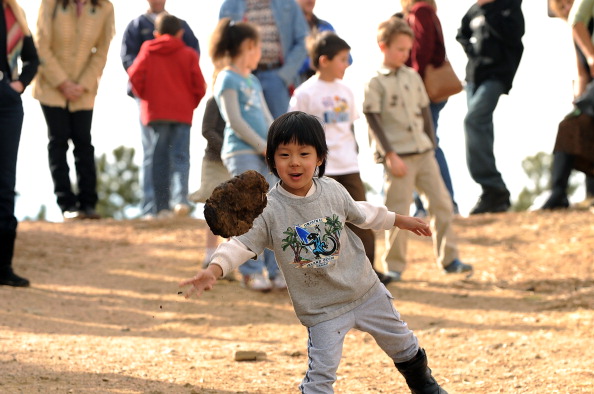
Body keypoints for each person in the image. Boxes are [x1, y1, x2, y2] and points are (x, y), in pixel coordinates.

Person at [179, 111, 448, 394]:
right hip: (322, 309)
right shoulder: (269, 210)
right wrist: (214, 268)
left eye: (304, 153)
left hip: (365, 291)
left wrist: (399, 219)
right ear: (272, 159)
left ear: (319, 158)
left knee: (404, 344)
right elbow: (241, 244)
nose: (295, 162)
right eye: (284, 155)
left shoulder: (332, 190)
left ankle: (426, 387)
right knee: (321, 374)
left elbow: (362, 213)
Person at [363, 16, 472, 281]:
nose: (404, 54)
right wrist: (388, 155)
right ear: (383, 47)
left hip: (424, 154)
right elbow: (372, 119)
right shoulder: (375, 82)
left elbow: (425, 109)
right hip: (399, 158)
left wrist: (431, 143)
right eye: (399, 49)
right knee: (398, 214)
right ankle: (395, 268)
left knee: (442, 205)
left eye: (407, 50)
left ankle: (449, 260)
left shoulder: (412, 76)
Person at [288, 31, 391, 285]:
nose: (347, 64)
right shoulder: (305, 93)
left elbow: (350, 127)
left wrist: (355, 153)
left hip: (349, 165)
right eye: (343, 59)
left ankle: (369, 271)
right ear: (324, 60)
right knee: (318, 223)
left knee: (361, 217)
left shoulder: (346, 90)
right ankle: (318, 275)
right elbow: (294, 133)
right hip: (321, 170)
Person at [209, 18, 284, 291]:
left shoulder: (252, 80)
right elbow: (235, 121)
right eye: (259, 47)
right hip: (241, 152)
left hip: (264, 152)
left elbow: (266, 117)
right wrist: (261, 146)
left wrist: (279, 143)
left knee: (275, 209)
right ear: (249, 46)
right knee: (248, 212)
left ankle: (277, 272)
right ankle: (251, 271)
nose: (261, 52)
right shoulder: (226, 78)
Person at [32, 0, 115, 221]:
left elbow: (102, 50)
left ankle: (88, 204)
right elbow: (41, 44)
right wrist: (62, 82)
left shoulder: (105, 7)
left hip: (83, 90)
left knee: (83, 142)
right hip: (51, 87)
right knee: (58, 141)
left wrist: (83, 83)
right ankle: (67, 205)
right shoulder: (51, 4)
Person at [121, 0, 200, 219]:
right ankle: (180, 200)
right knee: (180, 156)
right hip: (181, 112)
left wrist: (146, 97)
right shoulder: (187, 51)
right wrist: (190, 102)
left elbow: (134, 74)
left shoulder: (147, 48)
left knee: (154, 157)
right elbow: (199, 84)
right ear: (180, 33)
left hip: (154, 111)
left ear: (156, 33)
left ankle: (157, 207)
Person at [456, 0, 525, 215]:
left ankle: (492, 185)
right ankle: (493, 194)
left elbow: (514, 36)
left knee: (473, 120)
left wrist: (489, 12)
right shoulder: (473, 10)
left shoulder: (509, 6)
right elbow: (461, 33)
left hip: (497, 76)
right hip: (474, 77)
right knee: (481, 128)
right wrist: (472, 50)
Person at [399, 0, 459, 218]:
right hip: (425, 88)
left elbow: (423, 49)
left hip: (423, 89)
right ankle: (432, 204)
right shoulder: (423, 11)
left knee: (427, 145)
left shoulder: (421, 10)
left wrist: (412, 81)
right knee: (426, 144)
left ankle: (443, 203)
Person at [541, 0, 594, 209]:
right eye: (561, 7)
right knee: (572, 126)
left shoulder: (581, 24)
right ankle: (559, 193)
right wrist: (578, 104)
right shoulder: (578, 37)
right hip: (590, 93)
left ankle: (559, 193)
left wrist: (591, 57)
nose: (567, 9)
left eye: (569, 3)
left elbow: (577, 22)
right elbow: (582, 73)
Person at [0, 0, 39, 287]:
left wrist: (20, 84)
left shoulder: (16, 14)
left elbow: (32, 59)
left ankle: (3, 267)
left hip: (8, 104)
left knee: (4, 183)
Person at [219, 0, 308, 119]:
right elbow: (223, 39)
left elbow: (303, 41)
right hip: (242, 76)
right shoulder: (230, 5)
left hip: (276, 77)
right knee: (246, 123)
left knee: (280, 127)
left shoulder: (288, 4)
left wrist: (284, 75)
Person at [188, 97, 231, 267]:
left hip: (234, 163)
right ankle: (210, 256)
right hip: (215, 162)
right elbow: (207, 130)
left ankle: (229, 258)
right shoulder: (214, 101)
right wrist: (227, 149)